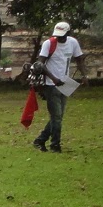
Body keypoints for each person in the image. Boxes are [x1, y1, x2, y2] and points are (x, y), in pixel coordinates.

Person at [32, 22, 88, 153]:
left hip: (66, 82)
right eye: (57, 35)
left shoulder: (73, 43)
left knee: (58, 117)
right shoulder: (49, 44)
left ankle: (40, 140)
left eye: (62, 36)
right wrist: (53, 78)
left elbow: (79, 60)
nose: (59, 38)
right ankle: (55, 145)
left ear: (68, 33)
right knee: (56, 117)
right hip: (51, 85)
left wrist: (84, 75)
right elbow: (40, 64)